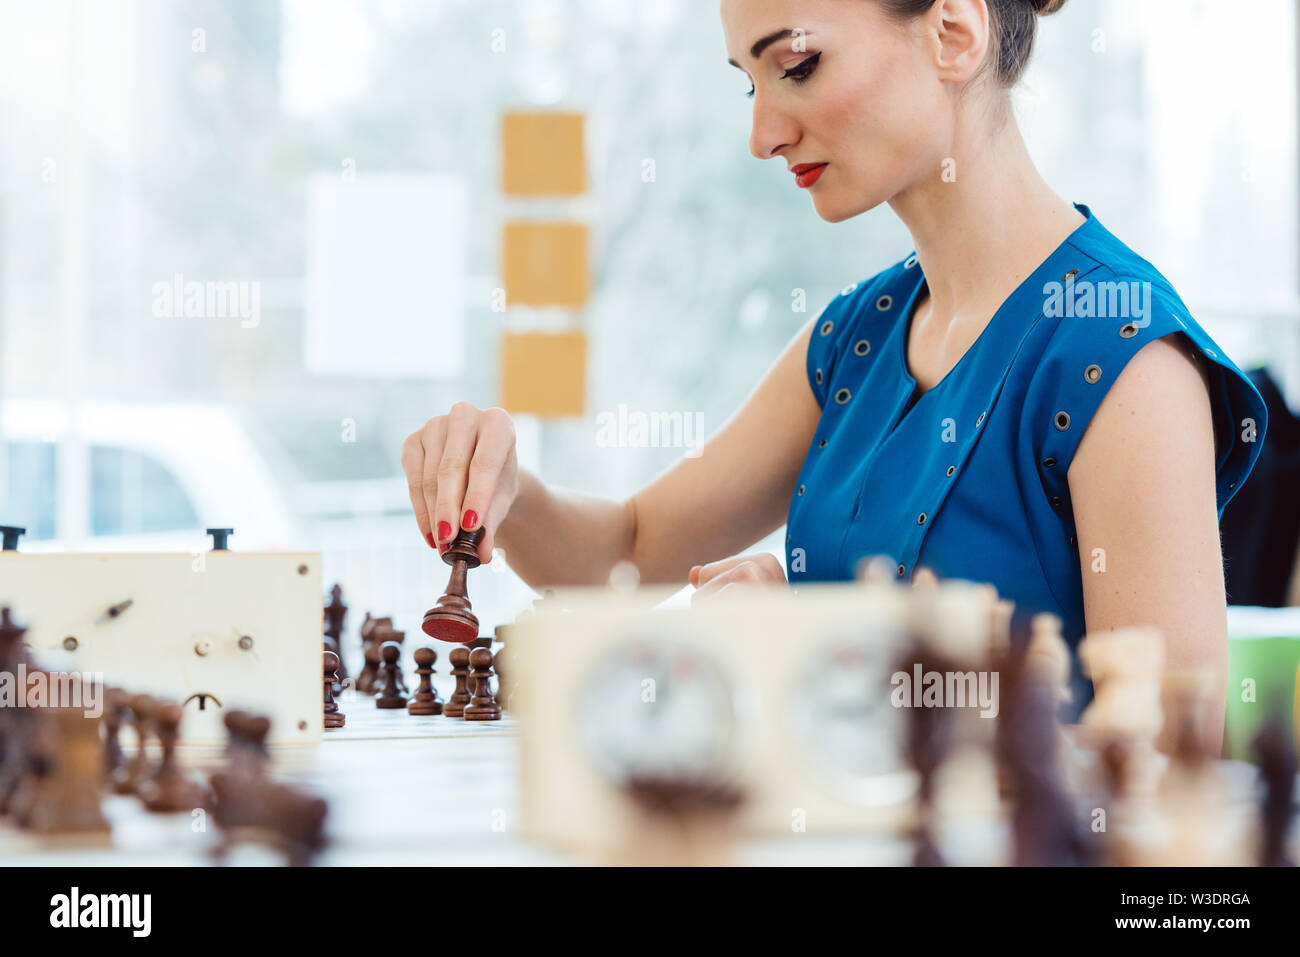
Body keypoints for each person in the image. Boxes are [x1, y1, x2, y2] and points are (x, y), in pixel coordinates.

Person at [401, 0, 1268, 744]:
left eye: (798, 66)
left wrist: (818, 654)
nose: (762, 133)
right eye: (751, 81)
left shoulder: (1122, 356)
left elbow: (1166, 765)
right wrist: (510, 491)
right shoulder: (858, 336)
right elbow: (628, 552)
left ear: (953, 35)